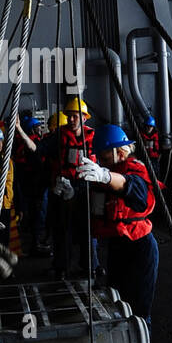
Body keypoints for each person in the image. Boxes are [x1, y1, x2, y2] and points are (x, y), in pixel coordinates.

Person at [77, 123, 158, 324]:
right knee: (117, 301)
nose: (102, 163)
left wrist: (105, 176)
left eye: (104, 158)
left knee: (138, 308)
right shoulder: (108, 171)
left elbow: (133, 187)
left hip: (140, 246)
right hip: (118, 245)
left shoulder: (135, 170)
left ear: (120, 152)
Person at [50, 97, 97, 278]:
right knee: (63, 229)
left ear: (84, 118)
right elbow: (40, 151)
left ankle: (91, 266)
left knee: (89, 230)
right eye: (68, 116)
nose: (70, 120)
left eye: (74, 116)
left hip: (86, 187)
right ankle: (62, 267)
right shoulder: (59, 137)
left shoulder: (94, 137)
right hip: (66, 187)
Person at [14, 114, 48, 254]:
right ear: (33, 130)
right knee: (37, 214)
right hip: (36, 184)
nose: (40, 130)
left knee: (36, 213)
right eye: (38, 127)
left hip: (33, 183)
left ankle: (37, 242)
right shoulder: (32, 143)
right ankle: (36, 244)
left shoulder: (26, 144)